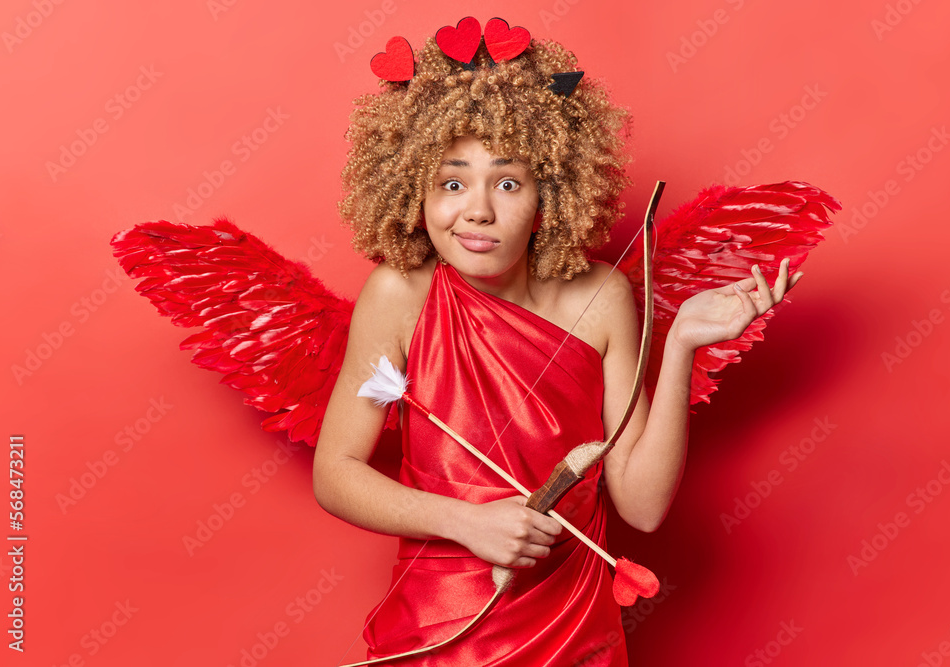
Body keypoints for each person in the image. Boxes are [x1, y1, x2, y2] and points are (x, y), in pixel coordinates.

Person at [312, 22, 801, 665]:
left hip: (573, 629)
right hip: (441, 628)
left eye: (508, 183)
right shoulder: (398, 296)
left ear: (552, 193)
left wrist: (681, 344)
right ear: (415, 191)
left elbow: (644, 507)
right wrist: (467, 522)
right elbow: (335, 473)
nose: (478, 210)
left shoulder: (600, 297)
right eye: (452, 183)